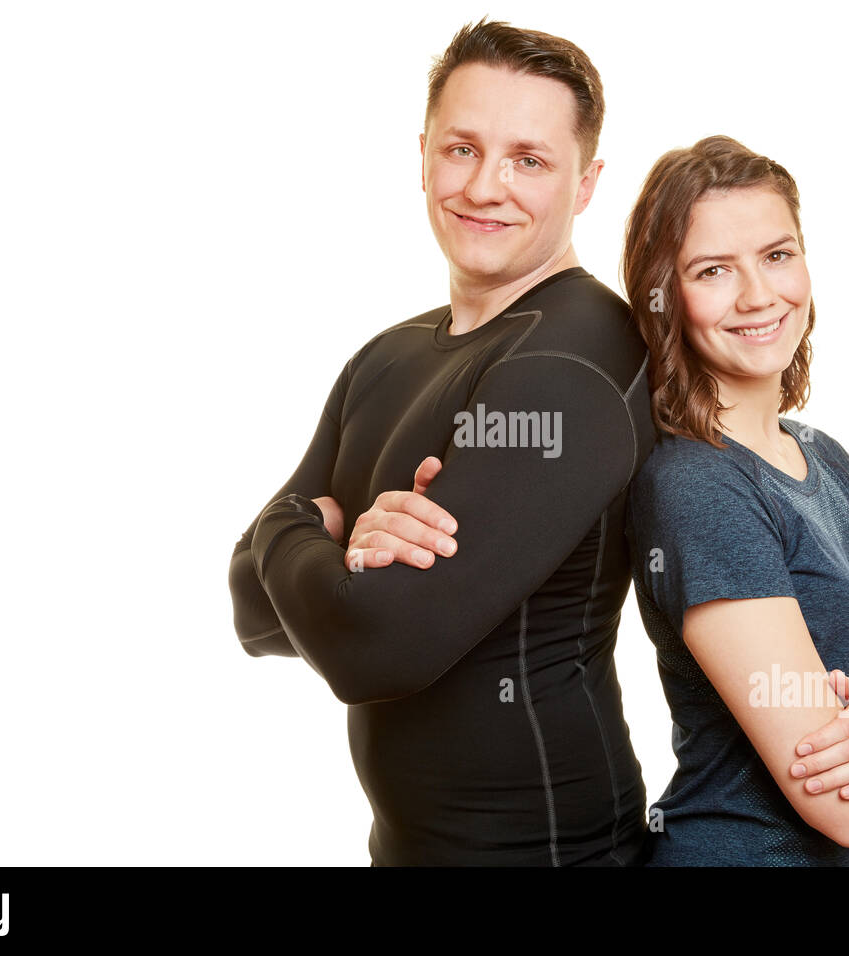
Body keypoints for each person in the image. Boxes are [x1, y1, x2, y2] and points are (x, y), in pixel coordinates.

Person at [226, 19, 653, 866]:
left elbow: (374, 648)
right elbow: (252, 613)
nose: (486, 186)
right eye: (463, 148)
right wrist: (342, 559)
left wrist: (293, 531)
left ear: (586, 183)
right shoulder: (386, 357)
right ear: (423, 154)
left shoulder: (575, 357)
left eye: (529, 159)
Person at [620, 135, 849, 865]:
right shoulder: (698, 485)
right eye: (713, 270)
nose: (759, 295)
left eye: (778, 254)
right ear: (666, 297)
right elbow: (840, 809)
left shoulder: (822, 457)